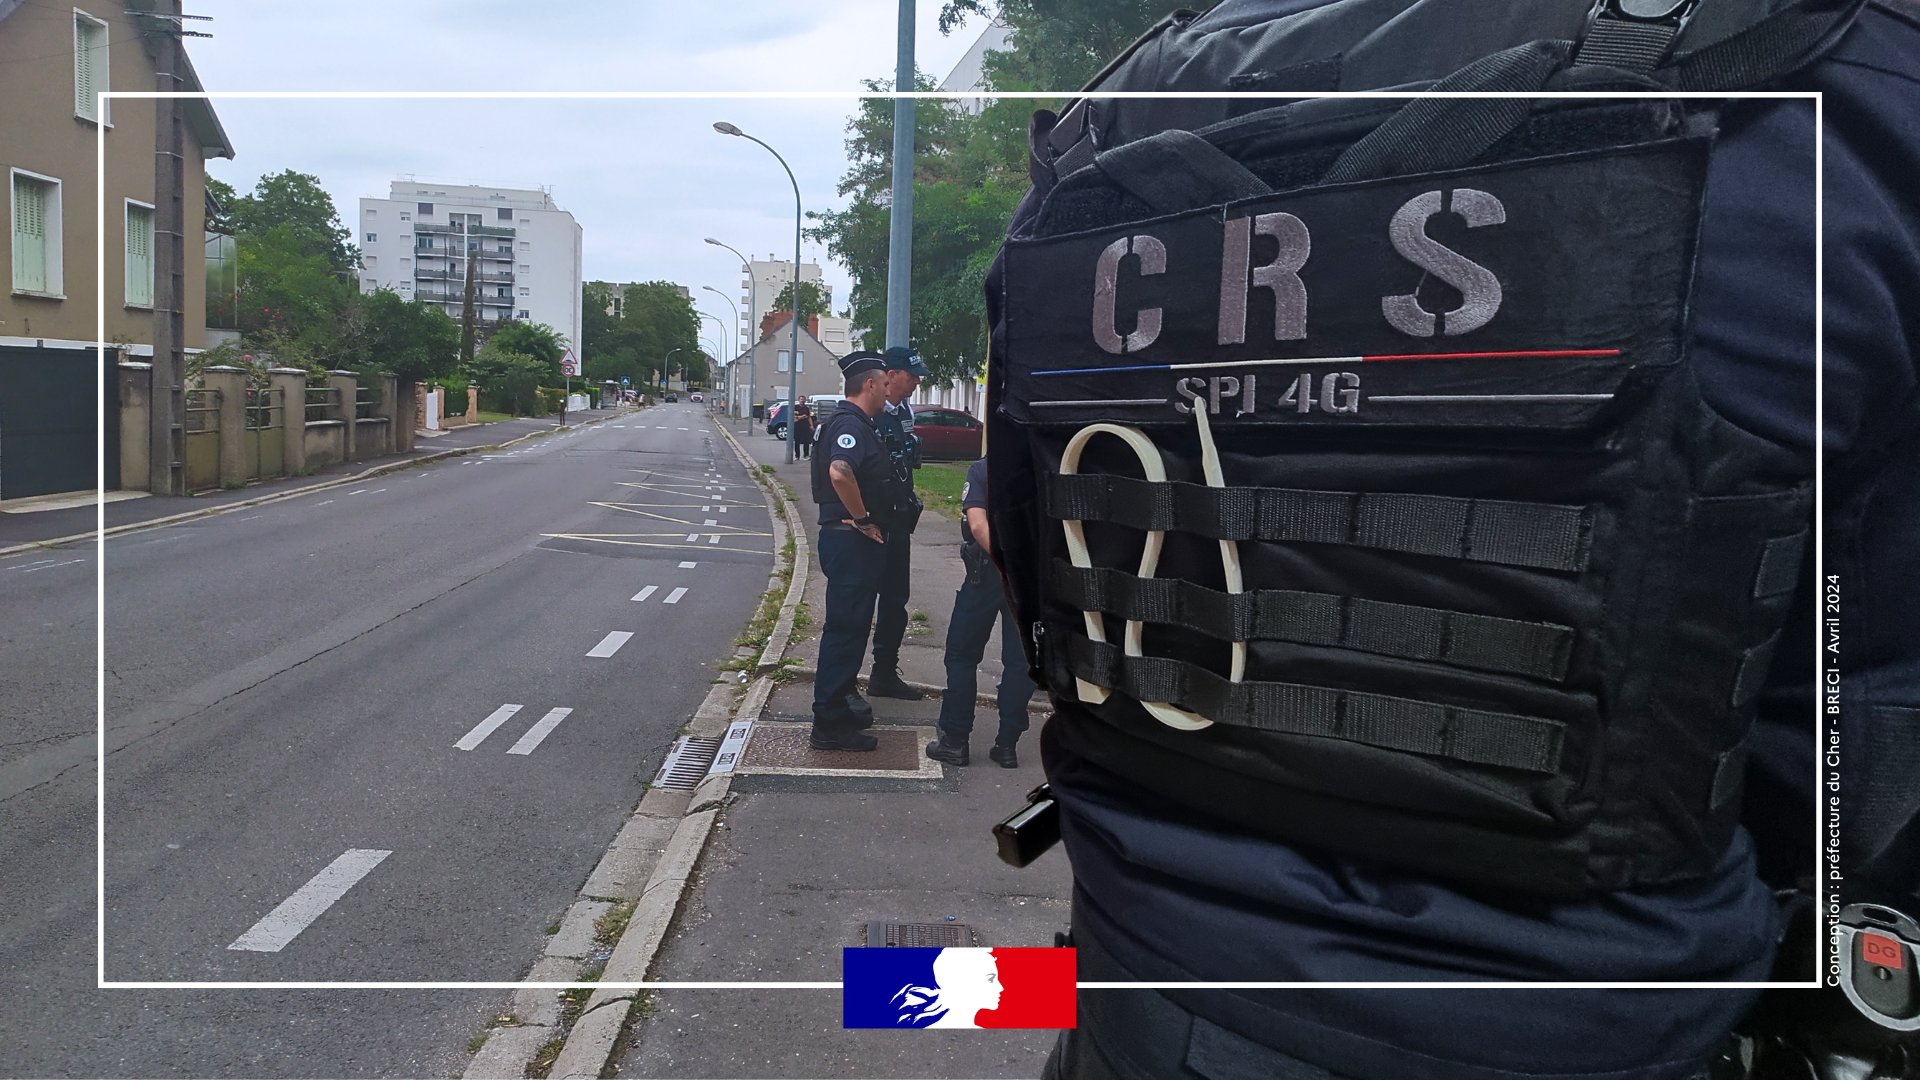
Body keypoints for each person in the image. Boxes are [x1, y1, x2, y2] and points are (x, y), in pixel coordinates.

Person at [977, 2, 1920, 1079]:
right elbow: (1866, 704)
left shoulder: (1132, 101)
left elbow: (1036, 566)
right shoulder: (1858, 81)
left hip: (1139, 991)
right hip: (1594, 1024)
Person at [808, 350, 899, 752]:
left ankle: (840, 707)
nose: (886, 390)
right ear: (869, 384)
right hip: (850, 540)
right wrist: (862, 517)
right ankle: (828, 724)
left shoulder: (856, 423)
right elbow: (839, 472)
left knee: (851, 628)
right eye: (883, 383)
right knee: (845, 632)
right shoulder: (850, 425)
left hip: (847, 542)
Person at [927, 455, 1035, 769]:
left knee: (961, 655)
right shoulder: (1041, 468)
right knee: (1020, 662)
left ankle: (955, 740)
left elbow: (977, 524)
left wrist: (1005, 564)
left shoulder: (984, 470)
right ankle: (1007, 745)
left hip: (988, 574)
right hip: (1028, 580)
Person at [865, 345, 931, 700]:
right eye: (912, 374)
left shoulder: (903, 411)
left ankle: (884, 673)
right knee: (861, 602)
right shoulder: (869, 414)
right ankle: (842, 684)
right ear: (890, 376)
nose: (918, 381)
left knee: (895, 600)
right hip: (872, 525)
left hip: (899, 520)